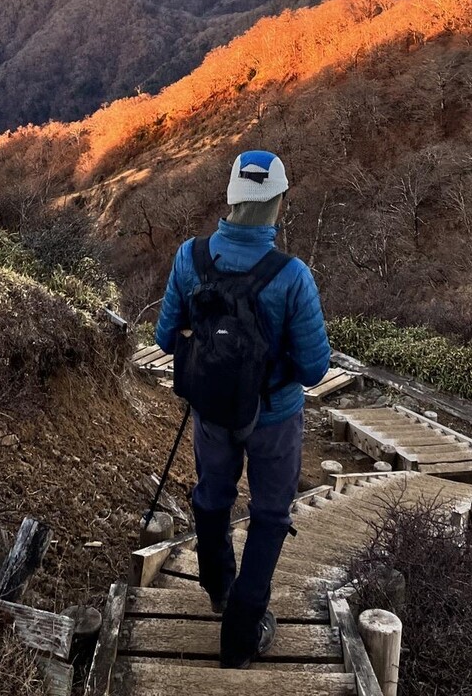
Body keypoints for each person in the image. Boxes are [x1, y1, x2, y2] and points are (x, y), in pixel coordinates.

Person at [154, 150, 331, 669]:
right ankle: (240, 635)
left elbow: (166, 337)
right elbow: (315, 368)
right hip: (273, 416)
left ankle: (217, 587)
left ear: (231, 198)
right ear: (278, 203)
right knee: (270, 515)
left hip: (211, 411)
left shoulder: (191, 258)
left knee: (212, 497)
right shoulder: (292, 276)